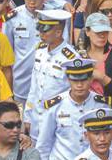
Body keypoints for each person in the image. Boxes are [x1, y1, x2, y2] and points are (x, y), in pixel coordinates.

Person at [36, 58, 107, 160]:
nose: (79, 85)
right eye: (75, 80)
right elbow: (44, 143)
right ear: (68, 79)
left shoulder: (101, 104)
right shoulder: (55, 105)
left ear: (91, 79)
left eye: (84, 80)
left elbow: (108, 140)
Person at [24, 9, 76, 140]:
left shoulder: (71, 58)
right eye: (40, 29)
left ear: (58, 32)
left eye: (45, 30)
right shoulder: (40, 51)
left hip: (58, 119)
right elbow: (34, 87)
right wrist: (27, 116)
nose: (40, 33)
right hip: (36, 118)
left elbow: (75, 91)